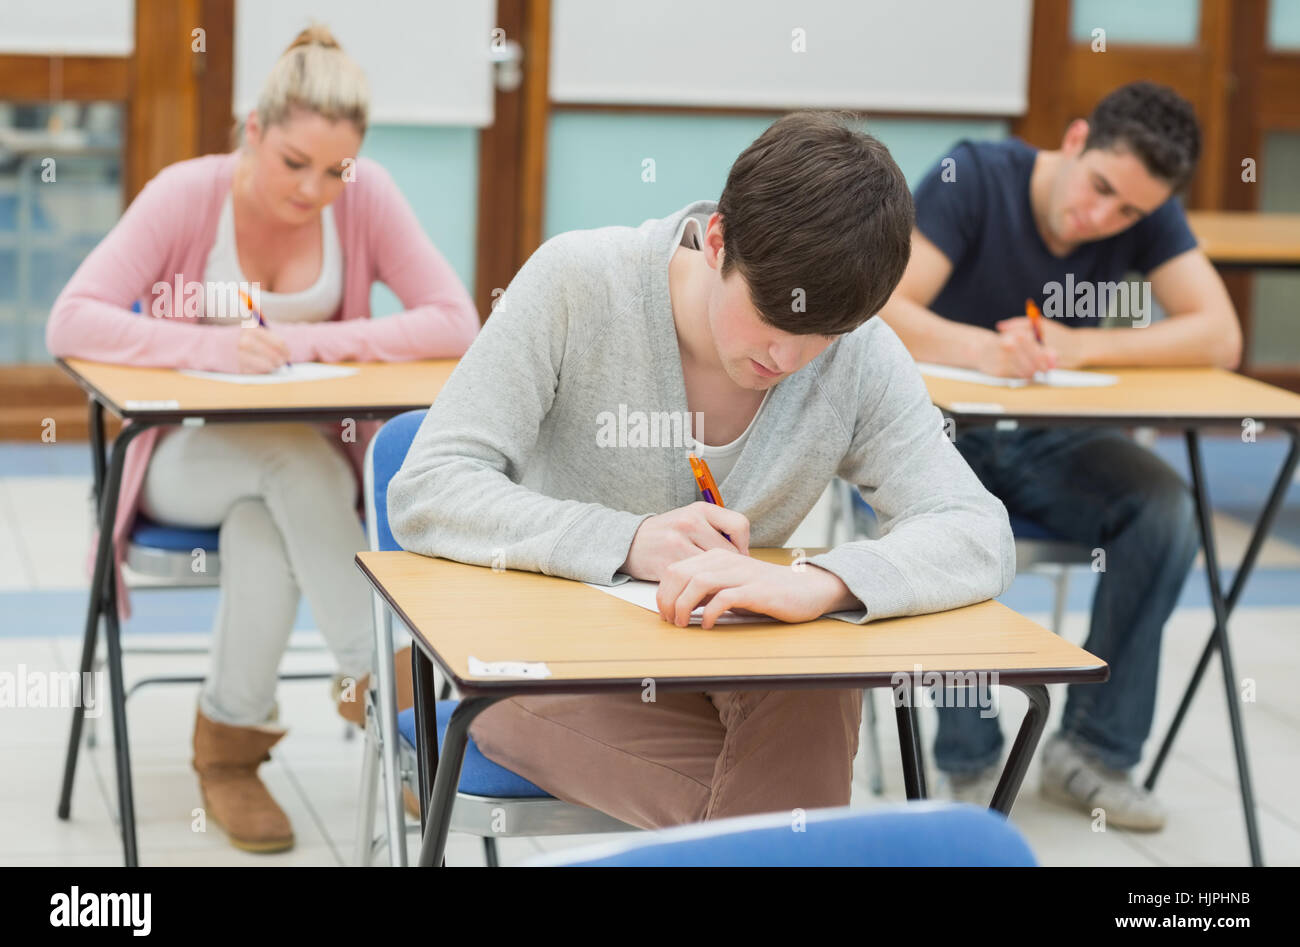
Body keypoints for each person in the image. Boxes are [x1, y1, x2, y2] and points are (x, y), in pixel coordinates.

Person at [387, 111, 1016, 829]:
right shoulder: (580, 283)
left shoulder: (859, 352)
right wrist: (626, 540)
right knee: (789, 829)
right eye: (772, 320)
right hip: (541, 660)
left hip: (723, 662)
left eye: (822, 336)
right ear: (716, 240)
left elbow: (976, 530)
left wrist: (821, 583)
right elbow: (430, 487)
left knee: (819, 681)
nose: (789, 360)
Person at [46, 25, 479, 852]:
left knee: (266, 517)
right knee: (288, 457)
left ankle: (229, 749)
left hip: (296, 481)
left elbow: (454, 321)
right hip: (181, 459)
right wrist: (211, 349)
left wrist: (314, 342)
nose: (315, 189)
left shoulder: (367, 196)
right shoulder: (186, 193)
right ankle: (389, 694)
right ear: (253, 129)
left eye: (335, 170)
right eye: (293, 163)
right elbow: (73, 317)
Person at [878, 81, 1240, 831]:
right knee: (951, 520)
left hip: (1048, 435)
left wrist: (1082, 345)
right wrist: (984, 347)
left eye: (1129, 213)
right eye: (1101, 188)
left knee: (1163, 508)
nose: (1103, 217)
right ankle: (969, 764)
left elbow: (1220, 333)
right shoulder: (974, 175)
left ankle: (1093, 753)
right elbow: (885, 307)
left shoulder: (1146, 202)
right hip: (938, 434)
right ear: (1075, 140)